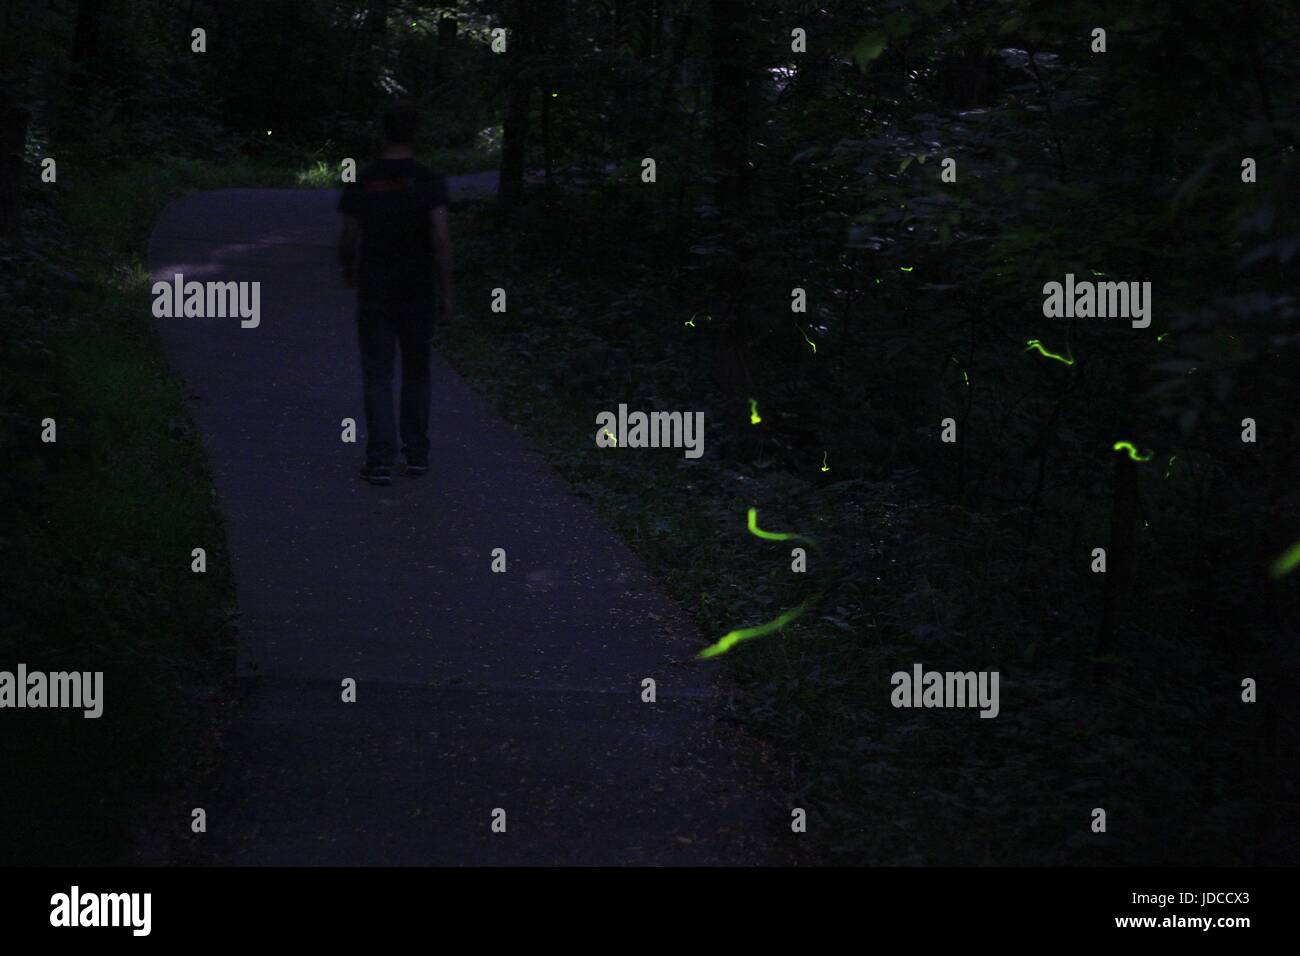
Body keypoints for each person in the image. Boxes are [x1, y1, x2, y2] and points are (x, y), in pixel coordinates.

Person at [338, 101, 454, 486]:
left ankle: (380, 460)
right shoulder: (428, 180)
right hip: (417, 290)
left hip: (375, 289)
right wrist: (446, 292)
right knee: (417, 372)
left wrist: (349, 267)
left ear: (382, 131)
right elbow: (440, 238)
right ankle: (417, 454)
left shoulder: (366, 179)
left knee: (378, 374)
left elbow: (350, 233)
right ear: (415, 132)